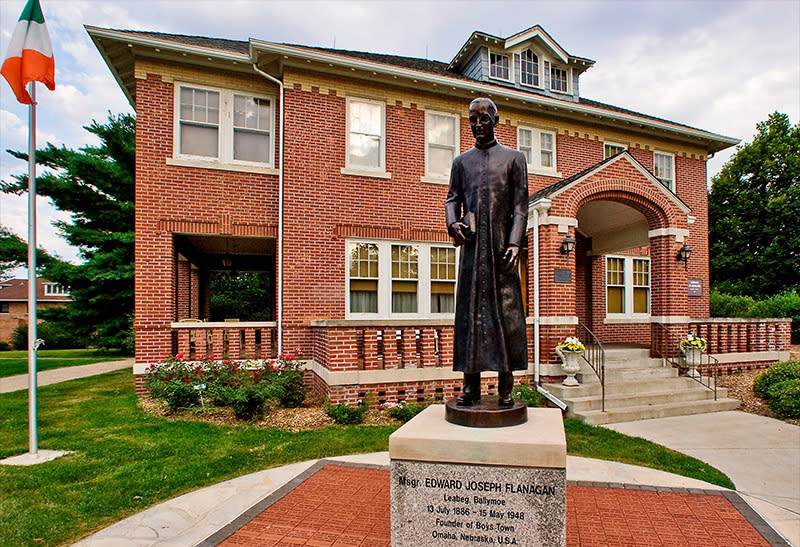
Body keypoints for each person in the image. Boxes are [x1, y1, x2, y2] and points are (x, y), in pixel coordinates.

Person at [444, 97, 528, 407]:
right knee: (470, 317)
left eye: (484, 119)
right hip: (472, 248)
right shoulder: (461, 162)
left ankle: (506, 387)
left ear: (495, 120)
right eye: (473, 120)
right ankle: (470, 387)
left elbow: (521, 207)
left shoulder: (514, 159)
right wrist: (453, 223)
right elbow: (452, 199)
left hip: (501, 248)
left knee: (506, 317)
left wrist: (515, 243)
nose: (478, 125)